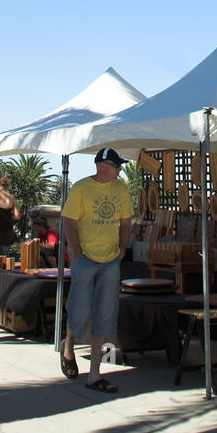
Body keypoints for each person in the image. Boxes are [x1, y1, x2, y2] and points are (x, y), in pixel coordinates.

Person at [60, 147, 133, 393]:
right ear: (102, 166)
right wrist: (77, 252)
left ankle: (94, 374)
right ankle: (68, 346)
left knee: (105, 314)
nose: (120, 169)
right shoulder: (81, 188)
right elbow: (69, 221)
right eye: (116, 165)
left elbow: (125, 220)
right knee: (79, 311)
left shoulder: (121, 187)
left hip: (111, 259)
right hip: (86, 259)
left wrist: (123, 248)